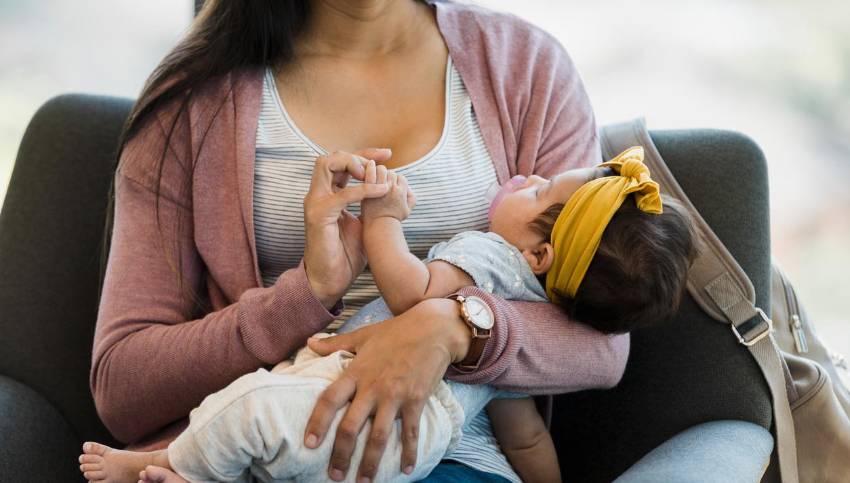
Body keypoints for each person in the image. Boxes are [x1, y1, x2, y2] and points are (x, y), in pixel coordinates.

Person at [81, 0, 631, 482]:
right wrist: (305, 296)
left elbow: (603, 346)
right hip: (254, 448)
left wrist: (452, 327)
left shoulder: (525, 66)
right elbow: (121, 387)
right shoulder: (191, 97)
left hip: (456, 458)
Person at [78, 147, 698, 483]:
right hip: (415, 450)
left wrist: (385, 218)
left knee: (252, 408)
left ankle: (169, 464)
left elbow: (410, 291)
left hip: (357, 399)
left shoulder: (488, 254)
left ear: (541, 255)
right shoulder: (531, 313)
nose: (528, 178)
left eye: (539, 192)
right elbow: (526, 435)